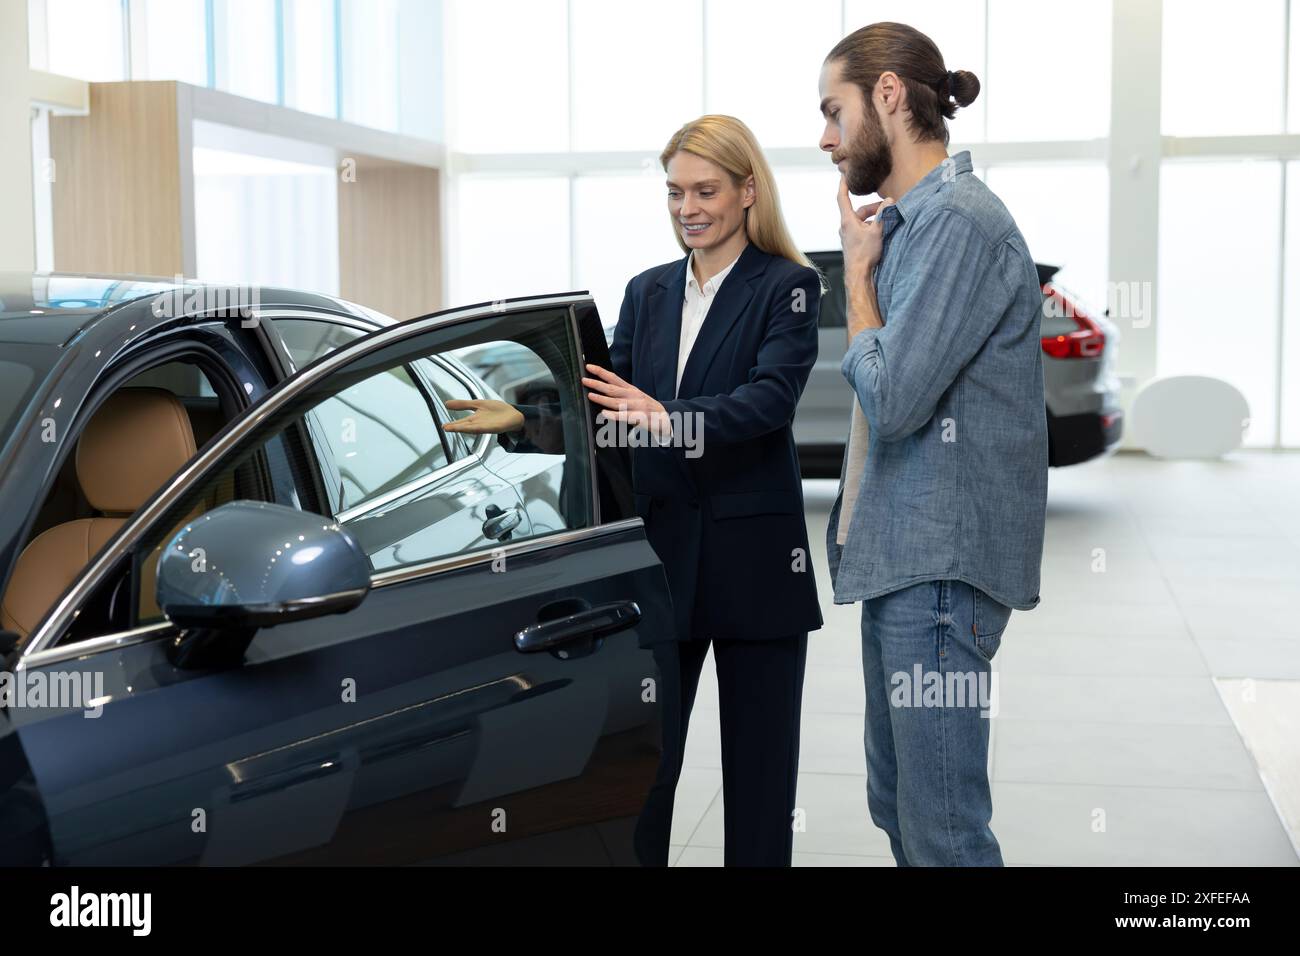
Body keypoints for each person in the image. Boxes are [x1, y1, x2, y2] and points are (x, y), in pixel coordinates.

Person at [446, 114, 823, 866]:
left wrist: (665, 417)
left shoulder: (790, 286)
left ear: (748, 191)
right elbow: (609, 414)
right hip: (660, 564)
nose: (688, 207)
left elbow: (767, 404)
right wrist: (526, 420)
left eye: (706, 190)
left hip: (756, 565)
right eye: (675, 192)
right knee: (645, 768)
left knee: (759, 778)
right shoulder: (647, 292)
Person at [818, 22, 1049, 866]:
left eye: (834, 111)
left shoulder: (958, 225)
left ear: (887, 95)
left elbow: (896, 397)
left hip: (940, 571)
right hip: (904, 561)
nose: (825, 137)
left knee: (942, 828)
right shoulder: (915, 226)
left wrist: (854, 278)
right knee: (902, 811)